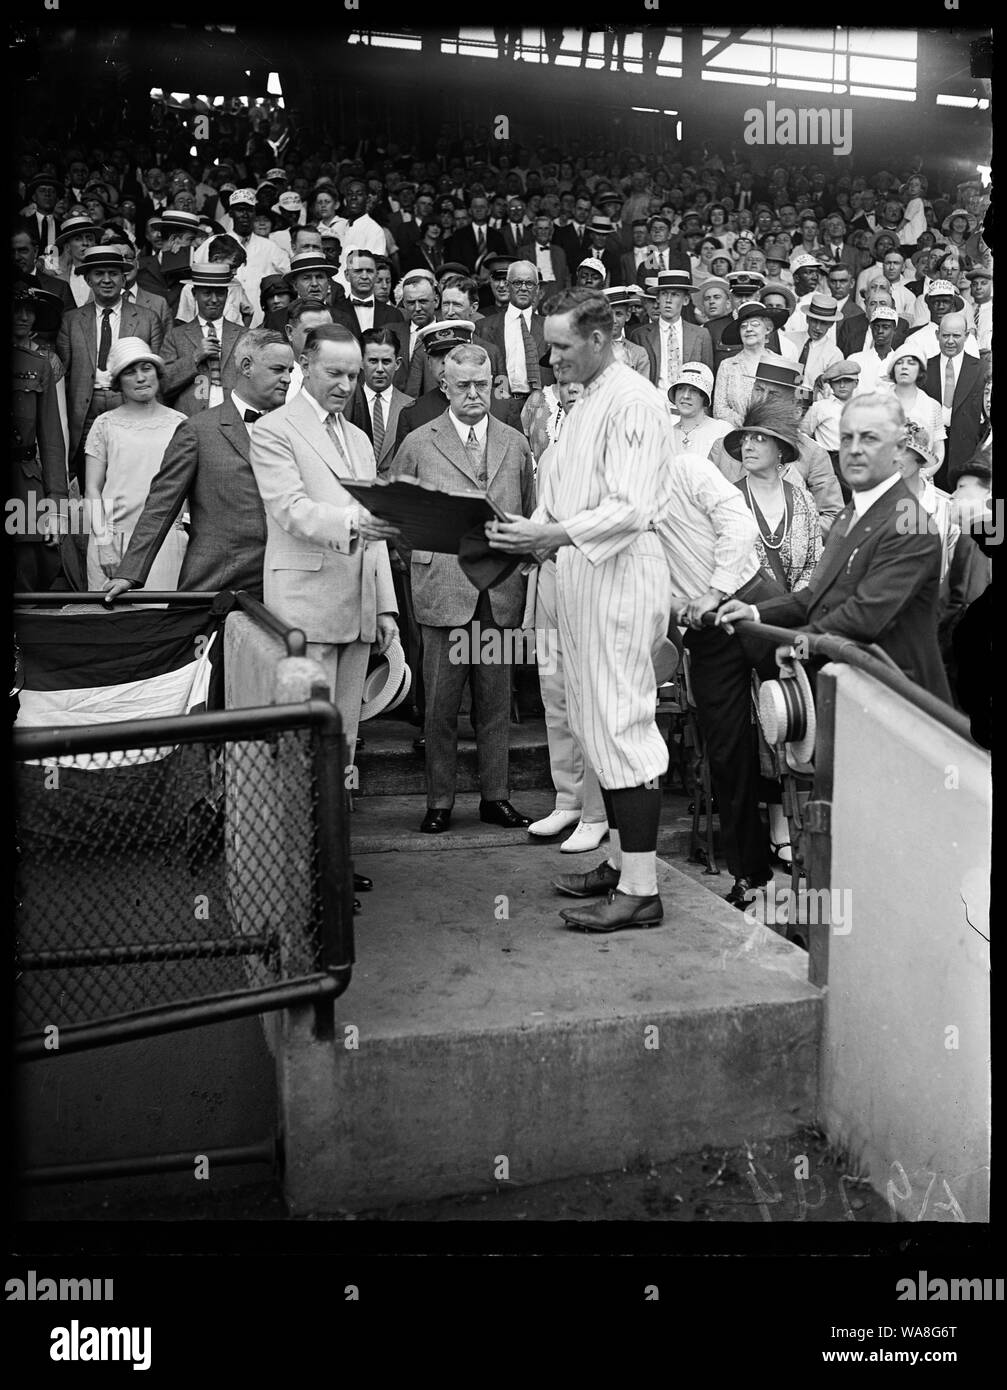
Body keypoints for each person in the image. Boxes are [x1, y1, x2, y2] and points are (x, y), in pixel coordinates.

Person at [486, 288, 677, 933]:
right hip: (579, 577)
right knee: (595, 725)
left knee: (623, 724)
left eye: (562, 345)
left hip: (622, 575)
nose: (551, 357)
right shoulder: (584, 402)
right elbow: (564, 496)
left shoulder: (636, 400)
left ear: (600, 339)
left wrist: (551, 537)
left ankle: (643, 891)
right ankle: (623, 864)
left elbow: (631, 507)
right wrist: (527, 532)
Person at [719, 394, 952, 704]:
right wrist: (754, 611)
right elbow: (816, 596)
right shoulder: (850, 513)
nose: (854, 449)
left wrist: (798, 646)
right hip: (847, 694)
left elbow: (861, 619)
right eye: (846, 438)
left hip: (900, 706)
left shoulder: (911, 524)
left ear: (898, 450)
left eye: (869, 438)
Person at [391, 342, 535, 834]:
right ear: (444, 387)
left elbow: (529, 515)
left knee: (496, 705)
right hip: (443, 591)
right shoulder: (419, 442)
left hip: (499, 594)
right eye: (462, 385)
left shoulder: (515, 443)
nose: (473, 394)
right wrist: (423, 562)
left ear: (494, 383)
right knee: (441, 708)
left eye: (482, 384)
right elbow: (396, 517)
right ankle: (440, 802)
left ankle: (496, 796)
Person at [249, 322, 398, 761]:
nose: (346, 385)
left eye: (353, 375)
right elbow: (290, 508)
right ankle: (302, 828)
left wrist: (386, 605)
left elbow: (377, 532)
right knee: (304, 737)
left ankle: (336, 825)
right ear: (305, 365)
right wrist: (356, 519)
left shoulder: (357, 438)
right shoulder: (273, 429)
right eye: (335, 373)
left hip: (359, 607)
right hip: (304, 606)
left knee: (344, 734)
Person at [104, 328, 293, 603]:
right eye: (278, 369)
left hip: (283, 582)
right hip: (215, 580)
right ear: (247, 367)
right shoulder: (198, 430)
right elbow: (161, 506)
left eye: (290, 370)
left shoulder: (295, 430)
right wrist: (129, 573)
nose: (287, 379)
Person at [725, 401, 823, 865]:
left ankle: (793, 823)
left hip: (790, 628)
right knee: (757, 720)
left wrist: (792, 607)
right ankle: (769, 827)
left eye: (759, 438)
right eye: (745, 438)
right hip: (743, 627)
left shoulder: (800, 498)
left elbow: (814, 562)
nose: (748, 445)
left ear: (781, 449)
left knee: (793, 718)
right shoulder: (727, 497)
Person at [521, 377, 610, 853]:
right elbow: (543, 512)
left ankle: (597, 813)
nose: (577, 401)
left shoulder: (616, 452)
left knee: (588, 701)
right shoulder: (555, 450)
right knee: (554, 695)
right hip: (552, 580)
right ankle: (568, 800)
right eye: (570, 395)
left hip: (592, 585)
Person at [83, 338, 187, 590]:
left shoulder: (181, 423)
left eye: (146, 368)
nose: (141, 378)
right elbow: (92, 490)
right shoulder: (105, 424)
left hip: (165, 543)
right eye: (130, 372)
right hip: (114, 543)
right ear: (118, 382)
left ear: (158, 373)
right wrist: (104, 543)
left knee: (162, 622)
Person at [55, 246, 163, 487]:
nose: (106, 280)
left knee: (129, 474)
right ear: (87, 279)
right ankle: (95, 524)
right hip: (85, 406)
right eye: (99, 273)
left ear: (124, 278)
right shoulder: (71, 320)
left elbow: (156, 375)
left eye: (113, 273)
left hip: (128, 401)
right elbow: (64, 375)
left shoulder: (147, 318)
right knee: (88, 475)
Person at [708, 355, 845, 534]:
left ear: (793, 403)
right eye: (758, 389)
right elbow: (701, 508)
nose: (762, 399)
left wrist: (782, 532)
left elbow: (833, 518)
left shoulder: (812, 454)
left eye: (773, 394)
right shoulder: (723, 448)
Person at [11, 284, 78, 591]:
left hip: (24, 484)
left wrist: (57, 507)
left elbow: (51, 442)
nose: (23, 317)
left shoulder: (38, 366)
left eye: (29, 311)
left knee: (29, 575)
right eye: (16, 309)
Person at [160, 262, 244, 416]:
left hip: (234, 417)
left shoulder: (244, 335)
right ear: (194, 293)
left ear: (227, 293)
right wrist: (194, 358)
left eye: (219, 293)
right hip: (190, 418)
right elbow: (163, 384)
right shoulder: (175, 336)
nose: (214, 300)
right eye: (206, 293)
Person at [921, 313, 991, 489]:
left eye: (956, 336)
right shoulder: (924, 369)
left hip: (967, 451)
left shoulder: (981, 369)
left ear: (967, 336)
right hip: (932, 451)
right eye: (945, 335)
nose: (950, 341)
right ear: (937, 335)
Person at [347, 325, 414, 476]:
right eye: (372, 361)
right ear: (360, 362)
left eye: (386, 361)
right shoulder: (345, 404)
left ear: (397, 363)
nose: (379, 369)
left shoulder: (411, 407)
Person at [629, 269, 713, 389]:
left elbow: (707, 377)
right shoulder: (640, 335)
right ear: (657, 298)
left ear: (686, 300)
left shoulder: (701, 334)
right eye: (664, 294)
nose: (668, 300)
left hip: (687, 402)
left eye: (675, 294)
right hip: (654, 401)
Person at [713, 301, 793, 425]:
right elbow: (719, 409)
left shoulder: (782, 363)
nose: (748, 329)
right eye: (743, 326)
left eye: (755, 324)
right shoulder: (728, 365)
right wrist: (742, 421)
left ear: (768, 329)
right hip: (735, 432)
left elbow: (791, 405)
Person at [878, 343, 946, 471]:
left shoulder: (932, 405)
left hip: (920, 479)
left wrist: (927, 474)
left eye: (911, 363)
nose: (904, 367)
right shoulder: (878, 402)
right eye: (899, 363)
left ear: (920, 370)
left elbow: (939, 448)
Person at [669, 362, 732, 458]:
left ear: (705, 397)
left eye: (694, 390)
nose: (685, 396)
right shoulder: (666, 435)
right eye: (681, 389)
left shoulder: (722, 430)